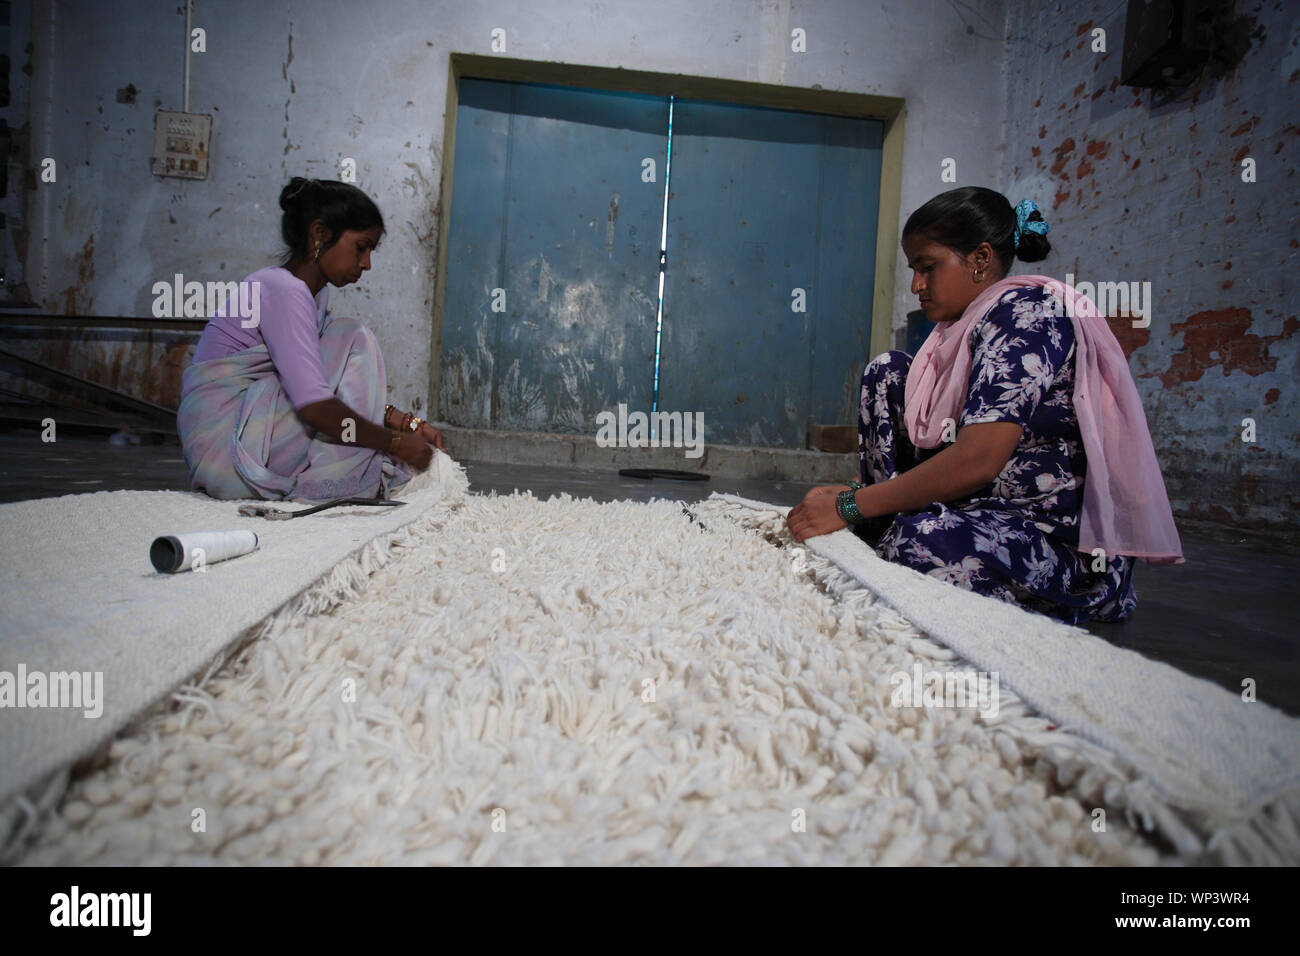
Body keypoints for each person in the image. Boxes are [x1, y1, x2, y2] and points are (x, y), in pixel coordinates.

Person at [786, 186, 1183, 624]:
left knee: (925, 544)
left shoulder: (1028, 315)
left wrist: (850, 506)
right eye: (914, 270)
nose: (917, 285)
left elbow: (978, 461)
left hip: (1045, 537)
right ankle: (885, 521)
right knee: (888, 371)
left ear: (979, 259)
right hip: (973, 511)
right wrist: (864, 497)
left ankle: (892, 529)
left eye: (927, 267)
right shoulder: (959, 329)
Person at [178, 178, 446, 501]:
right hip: (227, 453)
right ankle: (341, 482)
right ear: (319, 235)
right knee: (353, 337)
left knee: (344, 342)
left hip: (239, 449)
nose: (367, 264)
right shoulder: (282, 290)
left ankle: (346, 476)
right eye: (361, 247)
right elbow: (315, 407)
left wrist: (406, 423)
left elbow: (325, 388)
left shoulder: (312, 300)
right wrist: (394, 442)